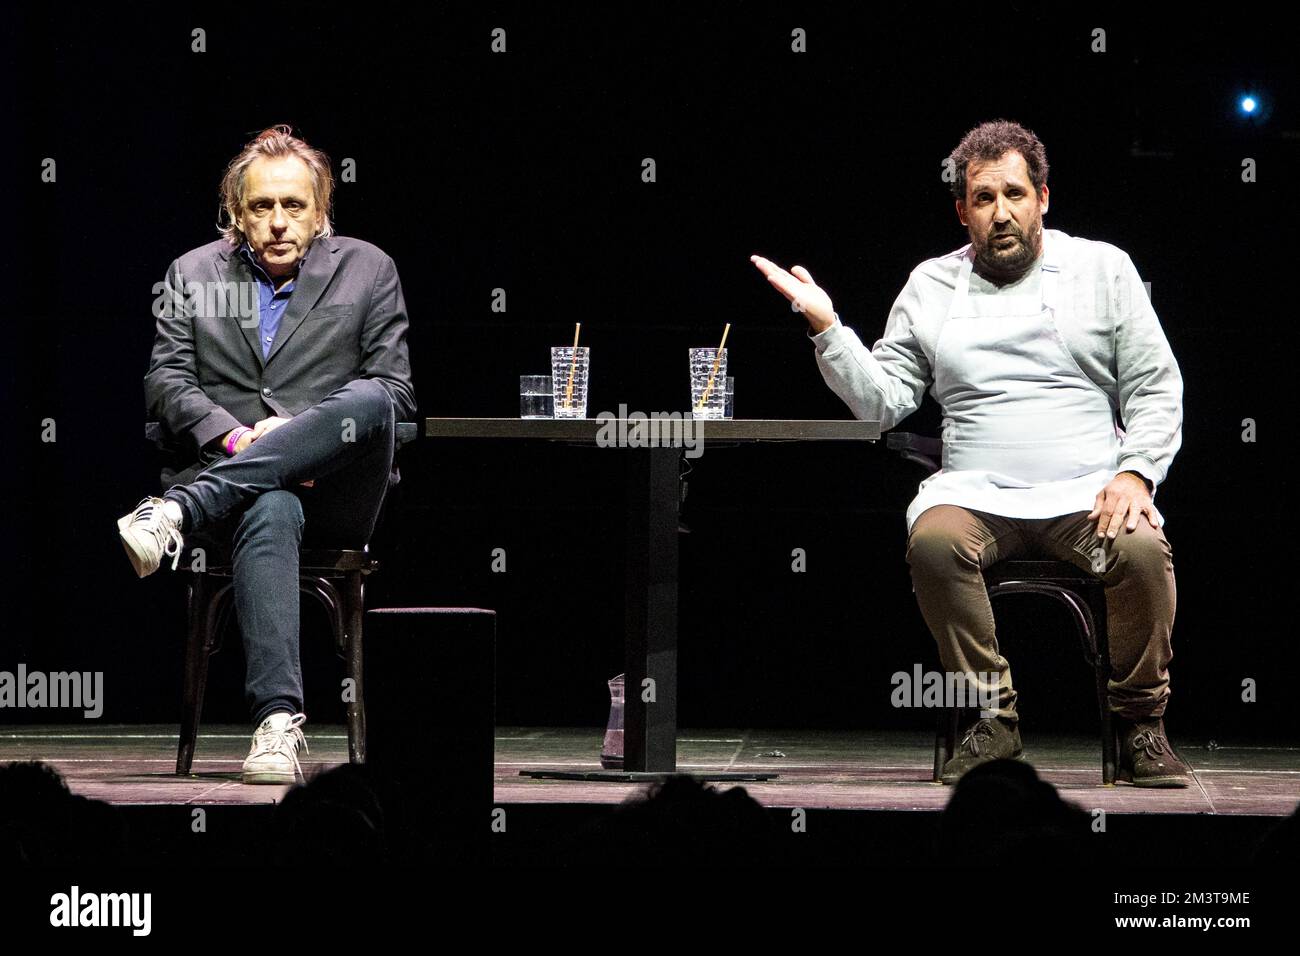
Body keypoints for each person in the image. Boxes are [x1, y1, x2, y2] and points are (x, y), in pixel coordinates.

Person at [751, 119, 1190, 787]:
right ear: (962, 211)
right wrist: (827, 328)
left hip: (1086, 491)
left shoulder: (1104, 268)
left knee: (1139, 549)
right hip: (975, 493)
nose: (1001, 213)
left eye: (1015, 194)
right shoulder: (931, 285)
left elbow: (1156, 386)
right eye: (983, 199)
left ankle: (1140, 724)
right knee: (933, 543)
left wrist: (1135, 473)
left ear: (1043, 197)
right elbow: (884, 401)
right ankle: (992, 720)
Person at [117, 126, 416, 784]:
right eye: (261, 207)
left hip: (339, 489)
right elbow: (167, 383)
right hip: (242, 492)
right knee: (271, 502)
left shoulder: (369, 269)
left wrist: (296, 438)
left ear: (321, 210)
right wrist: (234, 436)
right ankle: (277, 727)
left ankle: (173, 513)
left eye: (294, 206)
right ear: (236, 211)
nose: (278, 222)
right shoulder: (192, 274)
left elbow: (398, 398)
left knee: (371, 398)